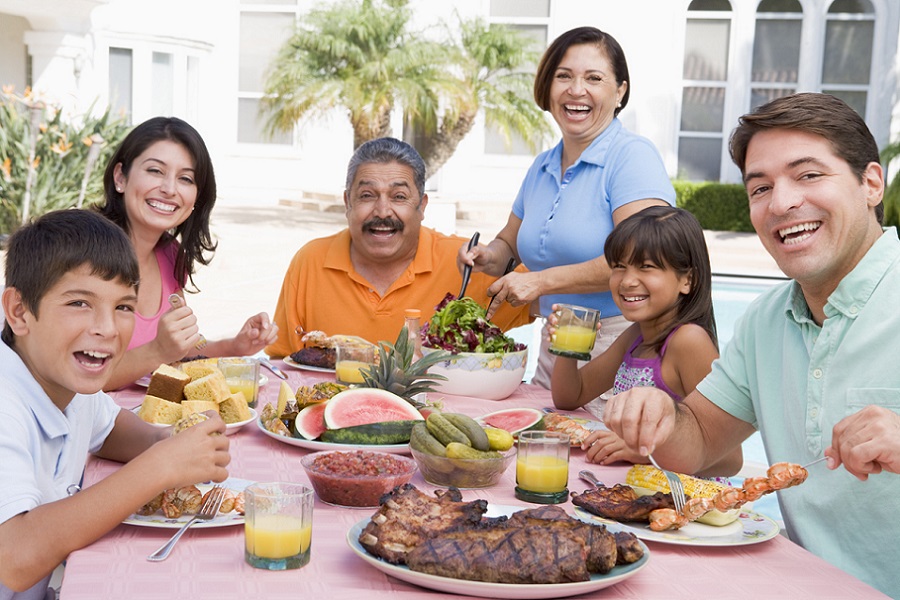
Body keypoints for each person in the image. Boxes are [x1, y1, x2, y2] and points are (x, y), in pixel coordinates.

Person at [602, 93, 900, 597]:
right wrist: (662, 414)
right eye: (760, 186)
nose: (781, 203)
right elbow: (699, 440)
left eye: (808, 175)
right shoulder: (765, 320)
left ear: (871, 183)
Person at [0, 210, 230, 599]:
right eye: (79, 303)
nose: (107, 328)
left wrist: (170, 441)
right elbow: (15, 558)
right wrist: (159, 468)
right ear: (19, 312)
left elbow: (109, 430)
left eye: (124, 307)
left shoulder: (66, 381)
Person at [458, 26, 675, 389]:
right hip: (558, 340)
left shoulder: (632, 157)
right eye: (564, 77)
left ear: (620, 92)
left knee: (599, 447)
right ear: (547, 87)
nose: (576, 90)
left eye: (594, 78)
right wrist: (484, 256)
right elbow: (508, 245)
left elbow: (642, 259)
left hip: (621, 343)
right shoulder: (543, 165)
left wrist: (538, 282)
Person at [264, 137, 531, 357]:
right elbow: (283, 362)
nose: (382, 211)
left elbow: (555, 297)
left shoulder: (469, 262)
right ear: (348, 203)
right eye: (367, 195)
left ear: (422, 206)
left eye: (399, 196)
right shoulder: (310, 260)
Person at [549, 206, 740, 475]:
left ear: (688, 280)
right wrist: (566, 346)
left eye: (646, 267)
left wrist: (641, 452)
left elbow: (730, 458)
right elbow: (571, 396)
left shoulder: (688, 342)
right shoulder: (637, 336)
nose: (627, 281)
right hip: (637, 490)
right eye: (619, 267)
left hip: (685, 503)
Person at [96, 117, 277, 389]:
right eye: (155, 171)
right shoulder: (85, 253)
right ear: (120, 177)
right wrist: (157, 351)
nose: (170, 189)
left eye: (185, 178)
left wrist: (234, 345)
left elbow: (182, 346)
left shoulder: (170, 253)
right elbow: (71, 375)